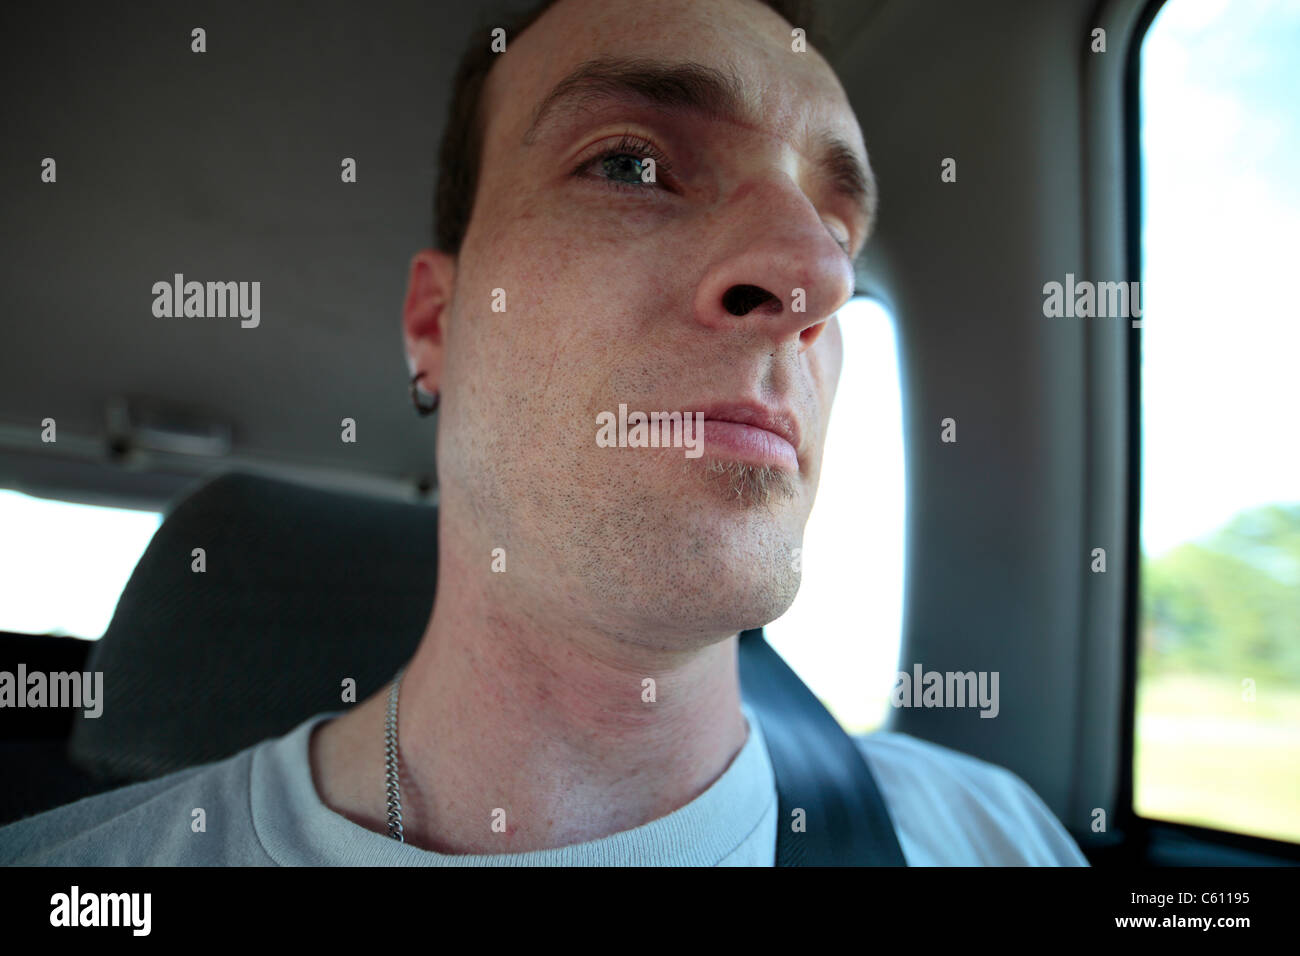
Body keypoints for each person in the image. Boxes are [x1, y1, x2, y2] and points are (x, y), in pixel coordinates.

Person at [0, 0, 1087, 866]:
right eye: (630, 164)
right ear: (437, 324)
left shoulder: (993, 833)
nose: (813, 274)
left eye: (837, 224)